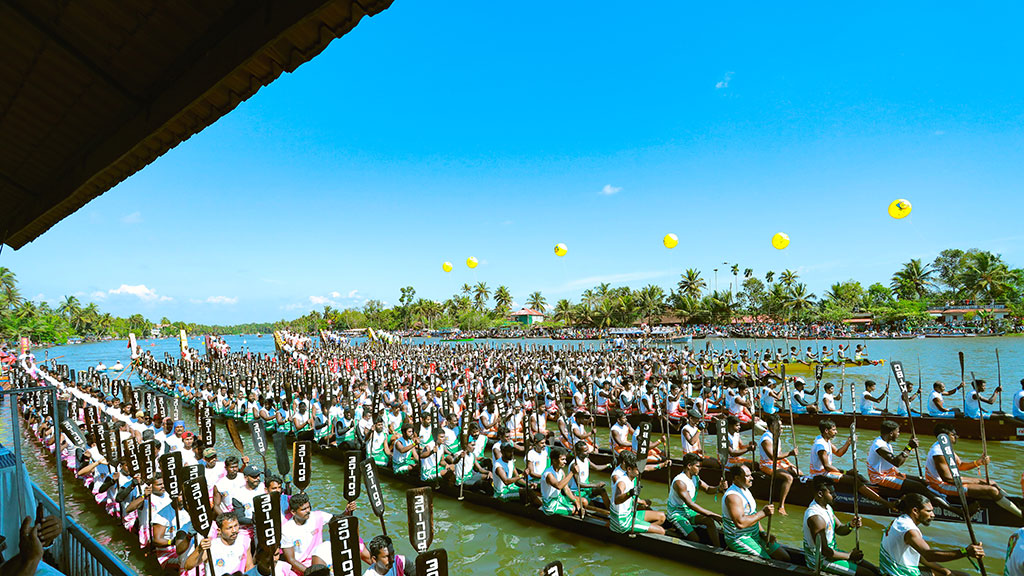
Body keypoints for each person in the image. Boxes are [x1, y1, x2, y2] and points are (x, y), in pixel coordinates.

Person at [924, 425, 1021, 517]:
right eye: (953, 435)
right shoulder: (938, 452)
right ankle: (1020, 515)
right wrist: (979, 481)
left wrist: (979, 462)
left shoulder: (946, 447)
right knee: (991, 490)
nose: (957, 437)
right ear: (944, 436)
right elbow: (949, 479)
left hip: (949, 482)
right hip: (939, 486)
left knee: (992, 483)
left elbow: (960, 465)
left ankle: (1012, 502)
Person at [878, 493, 984, 576]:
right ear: (915, 511)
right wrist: (965, 552)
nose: (933, 515)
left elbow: (920, 556)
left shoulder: (900, 520)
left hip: (890, 570)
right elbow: (929, 555)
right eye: (928, 511)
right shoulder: (910, 531)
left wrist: (944, 570)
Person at [810, 420, 894, 510]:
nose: (836, 432)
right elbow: (827, 466)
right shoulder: (820, 445)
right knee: (854, 480)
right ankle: (885, 503)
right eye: (834, 430)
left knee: (858, 476)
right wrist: (846, 472)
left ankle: (874, 491)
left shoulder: (826, 441)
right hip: (820, 475)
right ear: (826, 431)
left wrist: (848, 443)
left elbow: (839, 453)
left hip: (826, 471)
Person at [803, 476, 879, 576]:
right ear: (820, 494)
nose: (835, 495)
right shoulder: (816, 517)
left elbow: (840, 529)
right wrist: (849, 556)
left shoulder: (827, 507)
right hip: (820, 561)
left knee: (875, 570)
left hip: (832, 554)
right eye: (831, 493)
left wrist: (851, 525)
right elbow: (825, 551)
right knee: (868, 574)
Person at [721, 464, 789, 561]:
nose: (752, 478)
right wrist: (763, 513)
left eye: (751, 475)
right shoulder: (733, 496)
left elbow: (753, 515)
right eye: (748, 476)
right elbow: (740, 523)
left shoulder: (746, 490)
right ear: (737, 478)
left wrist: (763, 533)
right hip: (739, 538)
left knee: (784, 557)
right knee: (767, 562)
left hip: (755, 534)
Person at [667, 453, 724, 547]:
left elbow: (708, 489)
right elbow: (690, 504)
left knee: (709, 521)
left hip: (688, 512)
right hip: (676, 513)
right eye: (697, 466)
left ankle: (717, 547)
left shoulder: (695, 477)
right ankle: (670, 532)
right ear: (689, 466)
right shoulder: (680, 482)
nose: (700, 469)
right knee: (695, 540)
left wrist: (719, 488)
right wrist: (713, 515)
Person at [609, 451, 666, 535]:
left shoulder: (632, 475)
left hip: (629, 515)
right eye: (637, 469)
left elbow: (647, 468)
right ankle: (640, 530)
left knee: (661, 517)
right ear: (629, 469)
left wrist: (663, 465)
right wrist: (630, 493)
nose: (640, 471)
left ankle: (642, 529)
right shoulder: (622, 482)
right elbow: (617, 500)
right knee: (661, 531)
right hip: (622, 522)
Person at [281, 493, 333, 576]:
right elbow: (291, 559)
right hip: (301, 568)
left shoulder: (318, 516)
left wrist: (347, 511)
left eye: (308, 507)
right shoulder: (286, 530)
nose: (308, 511)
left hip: (320, 563)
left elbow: (337, 520)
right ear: (293, 512)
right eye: (303, 509)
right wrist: (310, 573)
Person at [185, 513, 253, 576]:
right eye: (229, 528)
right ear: (219, 531)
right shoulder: (211, 546)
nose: (234, 530)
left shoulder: (244, 541)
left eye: (236, 526)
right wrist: (199, 549)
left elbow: (249, 566)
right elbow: (188, 566)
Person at [757, 413, 800, 515]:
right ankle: (781, 506)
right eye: (779, 426)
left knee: (798, 472)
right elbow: (773, 456)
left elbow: (779, 454)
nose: (781, 428)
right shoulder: (766, 439)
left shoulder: (776, 436)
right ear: (772, 426)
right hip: (766, 465)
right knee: (789, 478)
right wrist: (790, 453)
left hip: (777, 463)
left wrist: (789, 463)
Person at [540, 448, 587, 517]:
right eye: (562, 459)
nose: (565, 462)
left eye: (565, 459)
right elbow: (559, 486)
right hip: (550, 504)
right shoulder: (549, 474)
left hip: (559, 498)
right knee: (575, 510)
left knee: (583, 501)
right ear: (554, 461)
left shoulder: (561, 472)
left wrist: (576, 501)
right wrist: (572, 472)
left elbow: (566, 488)